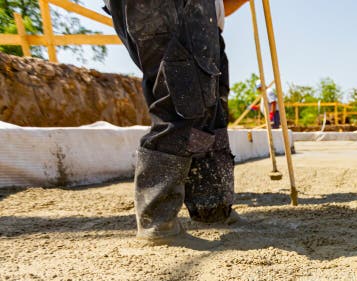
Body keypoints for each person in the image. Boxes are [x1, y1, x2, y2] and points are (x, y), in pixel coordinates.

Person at [103, 0, 248, 242]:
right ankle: (158, 220)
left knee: (209, 106)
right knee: (181, 96)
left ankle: (211, 208)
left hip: (202, 14)